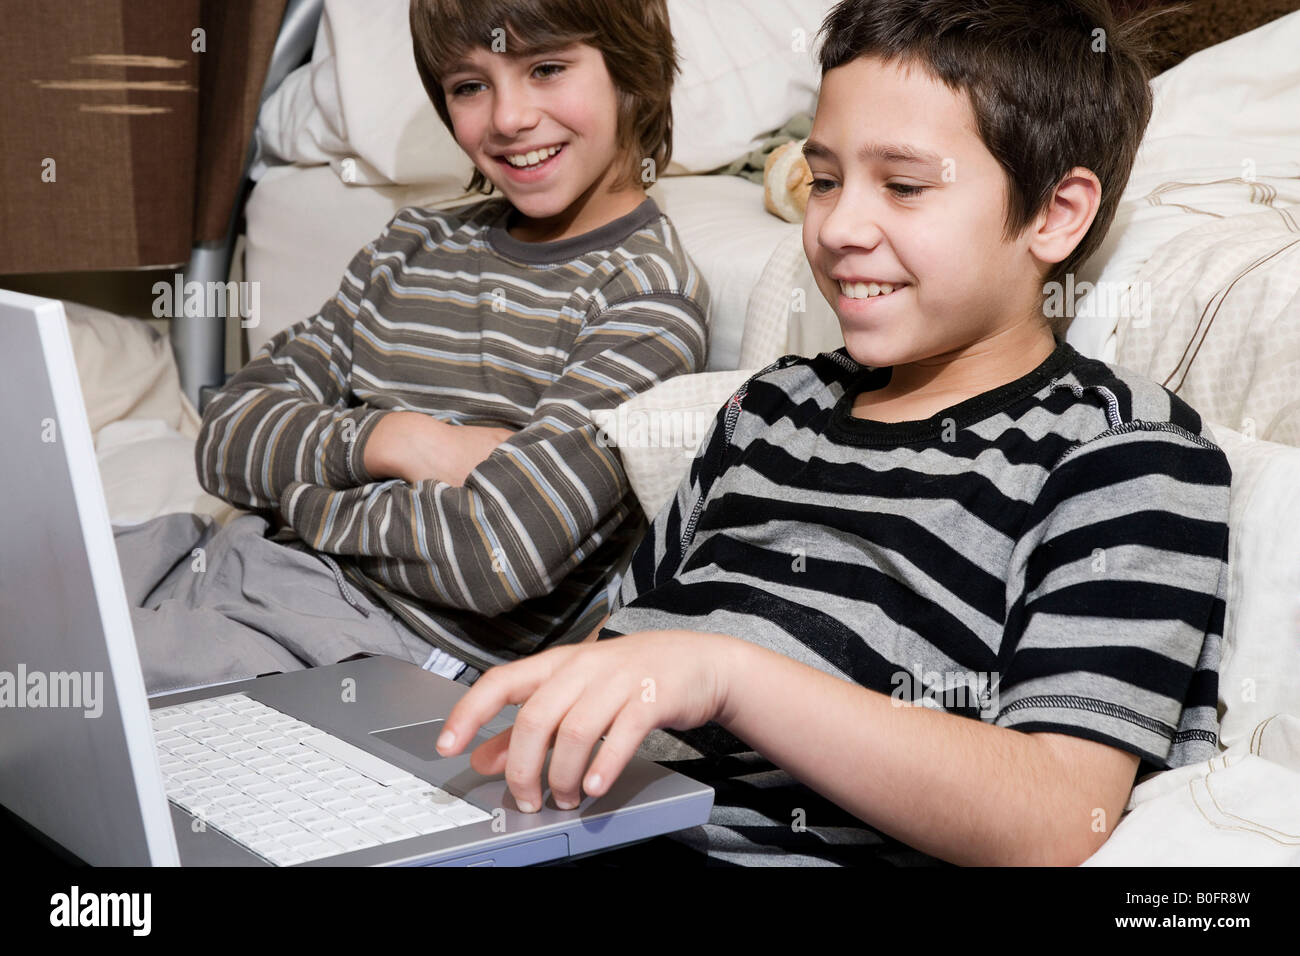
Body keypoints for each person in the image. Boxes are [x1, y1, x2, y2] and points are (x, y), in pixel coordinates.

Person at [435, 0, 1232, 867]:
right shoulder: (769, 409)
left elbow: (1055, 814)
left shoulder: (1123, 457)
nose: (840, 228)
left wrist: (726, 677)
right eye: (824, 179)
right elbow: (629, 646)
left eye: (903, 186)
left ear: (1056, 214)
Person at [120, 0, 708, 695]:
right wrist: (399, 441)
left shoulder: (644, 301)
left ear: (631, 71)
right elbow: (224, 436)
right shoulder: (413, 244)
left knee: (72, 690)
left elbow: (495, 552)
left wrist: (293, 501)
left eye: (546, 69)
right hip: (222, 554)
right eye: (469, 86)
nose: (509, 117)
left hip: (362, 639)